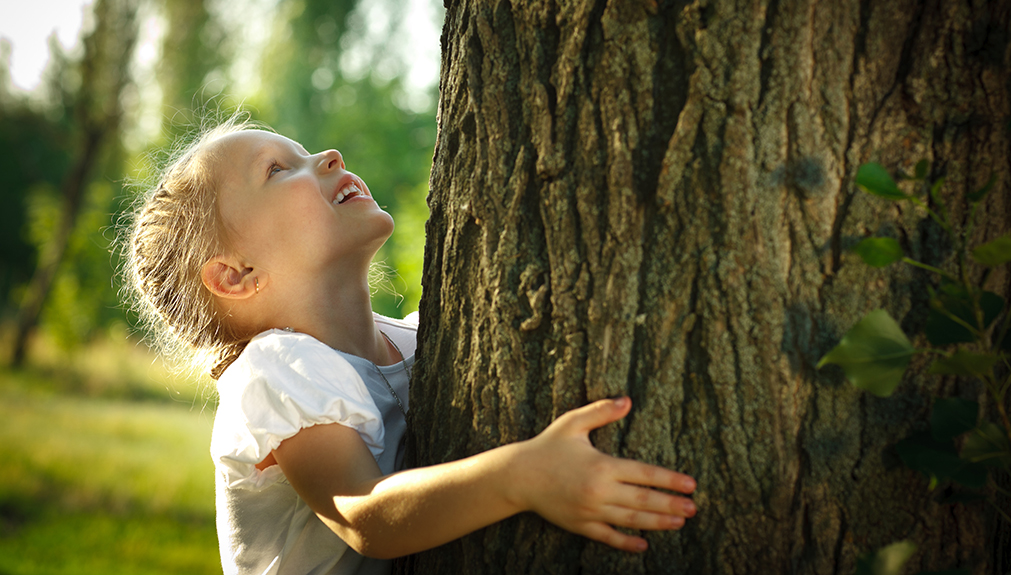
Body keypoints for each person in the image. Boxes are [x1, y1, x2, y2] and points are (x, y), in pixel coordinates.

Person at [124, 115, 698, 575]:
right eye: (278, 169)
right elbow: (365, 516)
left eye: (304, 152)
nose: (329, 156)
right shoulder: (275, 373)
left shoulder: (422, 337)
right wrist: (525, 476)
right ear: (235, 275)